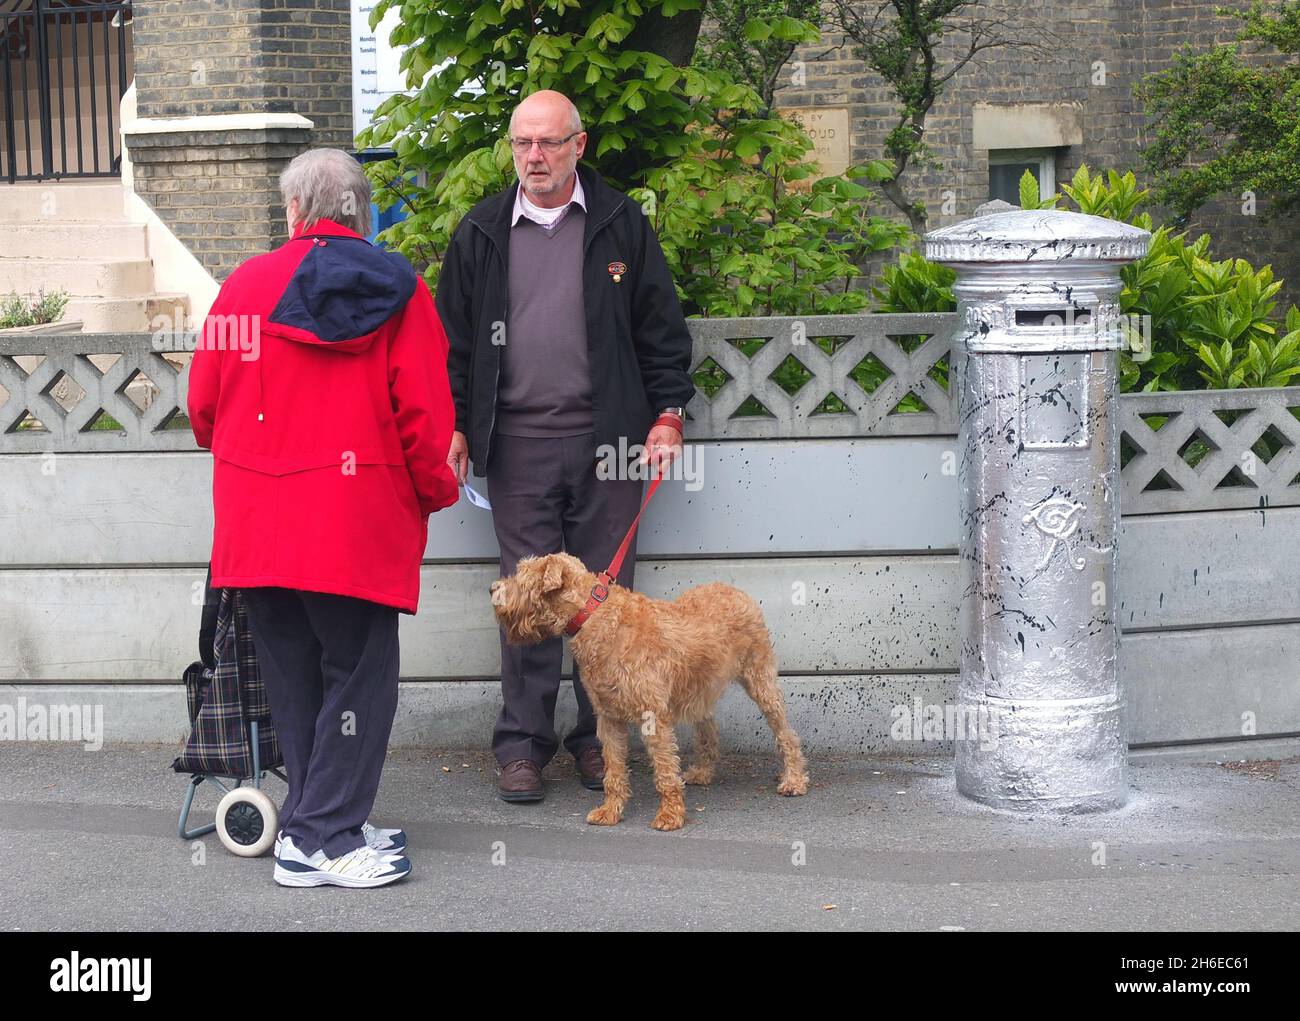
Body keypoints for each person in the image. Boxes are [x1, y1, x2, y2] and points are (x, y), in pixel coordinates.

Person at [188, 147, 459, 887]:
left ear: (295, 212)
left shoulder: (244, 285)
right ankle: (321, 834)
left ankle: (317, 816)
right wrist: (435, 490)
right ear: (360, 211)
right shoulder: (401, 290)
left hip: (258, 524)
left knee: (296, 679)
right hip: (351, 522)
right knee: (360, 679)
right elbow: (423, 414)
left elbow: (202, 408)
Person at [435, 90, 696, 804]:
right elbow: (451, 341)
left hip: (608, 444)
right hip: (516, 446)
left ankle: (596, 742)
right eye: (523, 144)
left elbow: (662, 329)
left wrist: (669, 413)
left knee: (603, 606)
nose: (535, 158)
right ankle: (522, 747)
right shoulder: (483, 231)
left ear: (578, 146)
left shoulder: (619, 223)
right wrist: (456, 422)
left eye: (549, 143)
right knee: (527, 603)